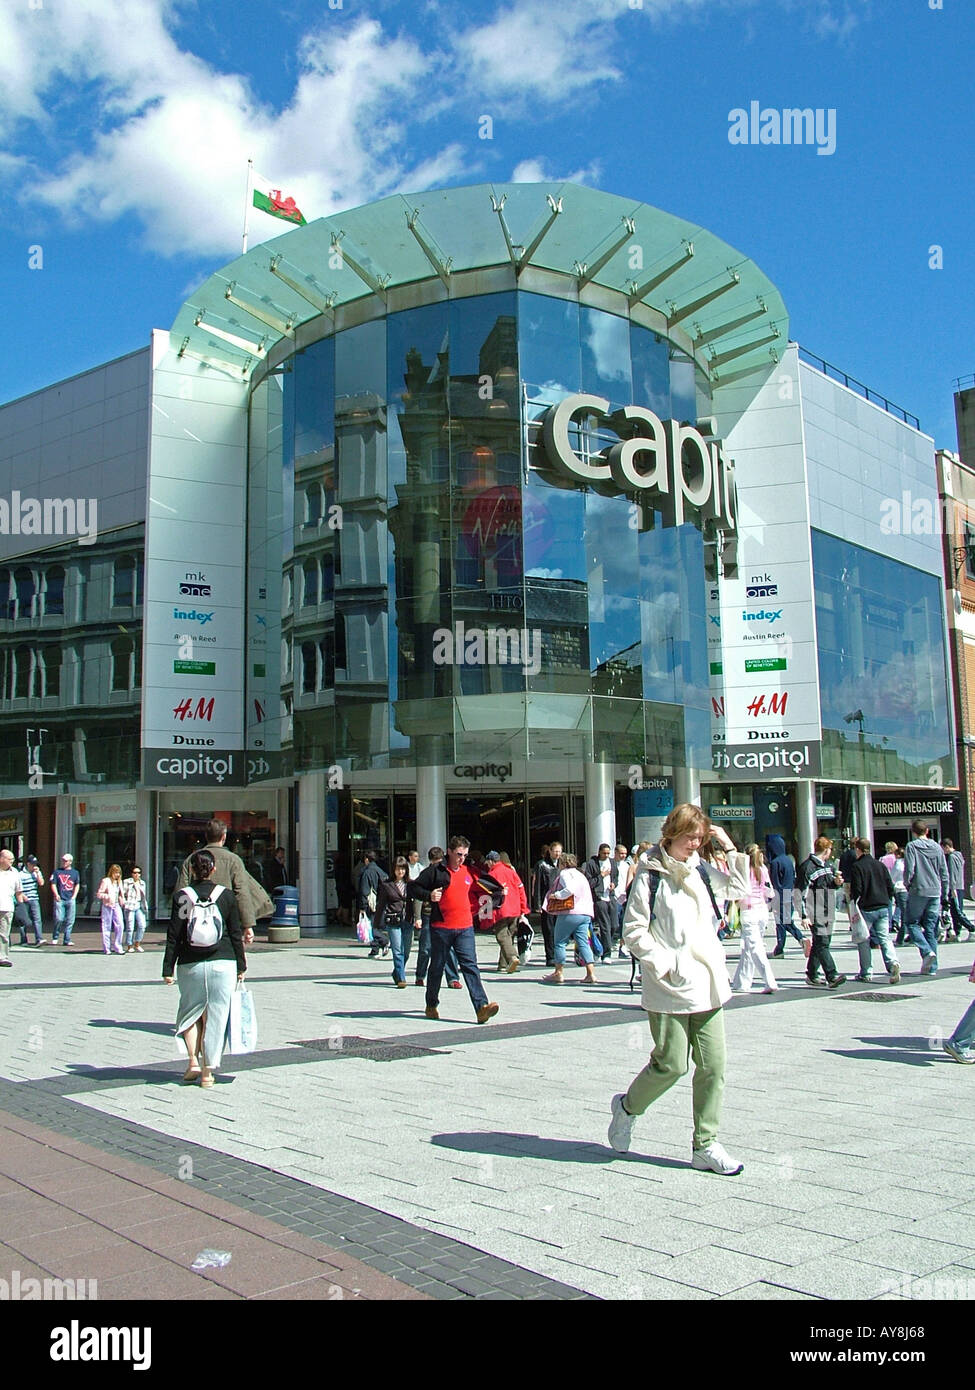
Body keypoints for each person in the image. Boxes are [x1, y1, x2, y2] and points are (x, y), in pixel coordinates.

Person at [607, 806, 748, 1175]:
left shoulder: (700, 868)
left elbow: (738, 889)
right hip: (670, 984)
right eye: (690, 838)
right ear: (672, 834)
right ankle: (627, 1108)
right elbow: (633, 931)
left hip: (708, 982)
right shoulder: (650, 876)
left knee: (714, 1066)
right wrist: (664, 963)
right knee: (671, 1065)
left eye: (700, 838)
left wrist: (729, 849)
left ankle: (706, 1144)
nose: (696, 844)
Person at [163, 849, 246, 1089]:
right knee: (217, 1016)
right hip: (224, 961)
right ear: (213, 869)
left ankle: (192, 1062)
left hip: (190, 963)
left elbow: (174, 935)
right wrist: (241, 965)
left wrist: (167, 968)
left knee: (189, 1013)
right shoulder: (226, 896)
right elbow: (235, 933)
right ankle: (208, 1074)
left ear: (190, 870)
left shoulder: (182, 897)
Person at [411, 836, 501, 1024]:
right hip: (441, 928)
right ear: (449, 852)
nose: (461, 858)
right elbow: (413, 888)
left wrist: (499, 895)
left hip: (465, 928)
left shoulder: (471, 871)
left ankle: (481, 1007)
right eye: (459, 854)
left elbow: (489, 887)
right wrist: (429, 895)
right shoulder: (436, 871)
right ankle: (431, 1004)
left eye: (465, 855)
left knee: (470, 966)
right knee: (437, 967)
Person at [176, 820, 264, 946]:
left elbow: (182, 892)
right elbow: (241, 893)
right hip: (225, 920)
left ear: (206, 836)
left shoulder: (191, 859)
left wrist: (180, 925)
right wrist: (248, 924)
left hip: (196, 921)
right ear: (224, 836)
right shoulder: (234, 860)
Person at [848, 838, 900, 984]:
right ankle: (893, 963)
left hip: (866, 907)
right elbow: (890, 886)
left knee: (863, 939)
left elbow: (857, 889)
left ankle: (866, 971)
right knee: (885, 938)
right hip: (883, 906)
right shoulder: (880, 865)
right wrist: (887, 899)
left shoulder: (857, 866)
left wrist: (854, 903)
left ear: (858, 849)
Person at [800, 836, 847, 990]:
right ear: (827, 850)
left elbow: (829, 885)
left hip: (828, 908)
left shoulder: (827, 866)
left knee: (821, 943)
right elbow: (800, 892)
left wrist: (836, 883)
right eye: (830, 850)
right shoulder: (807, 867)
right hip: (815, 910)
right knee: (822, 943)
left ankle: (812, 973)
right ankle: (831, 975)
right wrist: (804, 915)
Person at [903, 819, 949, 976]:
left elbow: (910, 868)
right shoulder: (937, 847)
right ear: (927, 831)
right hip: (935, 890)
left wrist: (907, 884)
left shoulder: (912, 846)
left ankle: (926, 951)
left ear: (913, 832)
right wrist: (945, 892)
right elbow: (944, 871)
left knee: (912, 923)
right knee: (930, 927)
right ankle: (932, 967)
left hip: (919, 889)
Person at [544, 852, 597, 985]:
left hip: (570, 912)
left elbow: (570, 889)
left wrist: (556, 895)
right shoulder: (580, 874)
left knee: (560, 942)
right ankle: (591, 973)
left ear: (563, 863)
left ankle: (559, 973)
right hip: (585, 913)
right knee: (583, 942)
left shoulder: (565, 874)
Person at [730, 843, 777, 994]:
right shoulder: (763, 870)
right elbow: (770, 893)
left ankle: (769, 981)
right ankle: (742, 981)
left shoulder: (743, 872)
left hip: (748, 911)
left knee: (754, 947)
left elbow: (738, 891)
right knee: (749, 947)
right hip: (762, 910)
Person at [412, 848, 461, 990]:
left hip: (445, 915)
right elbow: (418, 895)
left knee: (448, 948)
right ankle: (421, 975)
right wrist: (418, 916)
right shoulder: (428, 874)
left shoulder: (448, 874)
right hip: (429, 914)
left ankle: (452, 978)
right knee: (426, 947)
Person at [484, 850, 528, 973]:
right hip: (515, 909)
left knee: (502, 936)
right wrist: (523, 908)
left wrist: (485, 913)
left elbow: (487, 895)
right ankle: (503, 965)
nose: (487, 865)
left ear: (492, 861)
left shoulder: (491, 874)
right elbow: (521, 889)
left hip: (500, 910)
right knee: (509, 936)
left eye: (487, 862)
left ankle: (512, 957)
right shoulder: (511, 872)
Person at [376, 857, 411, 986]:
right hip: (393, 920)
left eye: (402, 868)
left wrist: (418, 918)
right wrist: (377, 924)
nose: (400, 871)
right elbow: (381, 904)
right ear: (393, 870)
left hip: (408, 920)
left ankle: (396, 972)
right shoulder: (387, 885)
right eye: (398, 868)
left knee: (406, 952)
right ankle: (401, 978)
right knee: (397, 950)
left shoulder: (410, 884)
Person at [767, 835, 802, 956]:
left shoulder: (775, 862)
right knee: (785, 921)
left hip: (779, 896)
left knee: (782, 923)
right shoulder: (788, 860)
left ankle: (799, 939)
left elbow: (774, 881)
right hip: (788, 894)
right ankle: (780, 948)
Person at [583, 843, 618, 964]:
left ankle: (601, 943)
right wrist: (601, 876)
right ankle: (606, 954)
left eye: (608, 853)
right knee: (605, 926)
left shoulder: (612, 863)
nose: (606, 856)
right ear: (599, 852)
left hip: (611, 896)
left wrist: (614, 884)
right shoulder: (591, 864)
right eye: (604, 853)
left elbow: (615, 876)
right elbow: (589, 882)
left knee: (614, 925)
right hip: (599, 897)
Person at [531, 841, 562, 968]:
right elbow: (537, 885)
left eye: (559, 852)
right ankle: (550, 956)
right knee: (548, 930)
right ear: (550, 851)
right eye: (555, 851)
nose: (557, 854)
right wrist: (537, 905)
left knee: (559, 929)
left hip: (560, 901)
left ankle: (559, 955)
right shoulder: (541, 865)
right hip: (547, 901)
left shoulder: (562, 864)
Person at [941, 839, 975, 940]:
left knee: (957, 911)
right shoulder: (959, 855)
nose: (943, 851)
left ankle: (971, 928)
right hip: (960, 886)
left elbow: (952, 873)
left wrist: (952, 888)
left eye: (943, 848)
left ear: (947, 846)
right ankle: (957, 933)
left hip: (954, 887)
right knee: (955, 912)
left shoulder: (951, 857)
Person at [358, 852, 389, 958]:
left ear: (367, 859)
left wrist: (362, 906)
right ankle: (374, 949)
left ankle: (384, 941)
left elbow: (364, 890)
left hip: (371, 903)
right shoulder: (380, 871)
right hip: (381, 902)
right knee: (377, 925)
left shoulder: (367, 872)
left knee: (370, 927)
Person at [0, 849, 26, 968]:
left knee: (4, 934)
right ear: (2, 859)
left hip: (6, 907)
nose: (12, 862)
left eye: (13, 860)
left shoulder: (15, 872)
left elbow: (19, 891)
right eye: (9, 859)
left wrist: (21, 908)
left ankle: (2, 957)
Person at [880, 842, 909, 945]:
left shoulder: (888, 860)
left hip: (898, 888)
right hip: (907, 889)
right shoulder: (908, 863)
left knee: (901, 911)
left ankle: (898, 932)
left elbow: (892, 876)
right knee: (905, 912)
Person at [50, 853, 81, 946]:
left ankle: (67, 939)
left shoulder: (75, 873)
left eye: (66, 861)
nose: (63, 862)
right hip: (60, 898)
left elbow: (77, 884)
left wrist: (74, 896)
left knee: (70, 920)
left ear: (70, 862)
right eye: (63, 860)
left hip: (70, 898)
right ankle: (55, 936)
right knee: (59, 918)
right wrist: (56, 894)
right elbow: (53, 883)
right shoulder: (57, 872)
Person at [97, 864, 125, 955]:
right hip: (107, 905)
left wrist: (122, 900)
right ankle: (107, 947)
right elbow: (99, 894)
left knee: (120, 925)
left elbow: (120, 894)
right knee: (106, 926)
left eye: (119, 873)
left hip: (116, 905)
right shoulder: (106, 881)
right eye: (116, 873)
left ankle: (118, 946)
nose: (117, 875)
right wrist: (107, 896)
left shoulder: (119, 882)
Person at [17, 855, 45, 946]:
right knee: (24, 920)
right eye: (32, 864)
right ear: (28, 864)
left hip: (34, 898)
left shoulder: (36, 872)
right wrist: (23, 896)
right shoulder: (20, 874)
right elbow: (17, 887)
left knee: (37, 919)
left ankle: (39, 938)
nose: (34, 866)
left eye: (35, 864)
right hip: (24, 898)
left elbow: (41, 883)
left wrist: (37, 874)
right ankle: (24, 939)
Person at [121, 866, 149, 953]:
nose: (137, 874)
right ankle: (129, 945)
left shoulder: (142, 883)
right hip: (130, 906)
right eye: (135, 872)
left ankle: (137, 943)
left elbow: (143, 896)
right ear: (132, 874)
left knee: (142, 925)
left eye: (138, 873)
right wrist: (125, 903)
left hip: (139, 904)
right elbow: (122, 894)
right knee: (130, 927)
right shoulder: (127, 882)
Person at [613, 844, 631, 956]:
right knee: (614, 924)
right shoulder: (612, 864)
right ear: (615, 853)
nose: (623, 855)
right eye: (621, 853)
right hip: (614, 897)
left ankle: (622, 946)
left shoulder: (626, 866)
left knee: (624, 923)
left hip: (624, 898)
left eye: (625, 853)